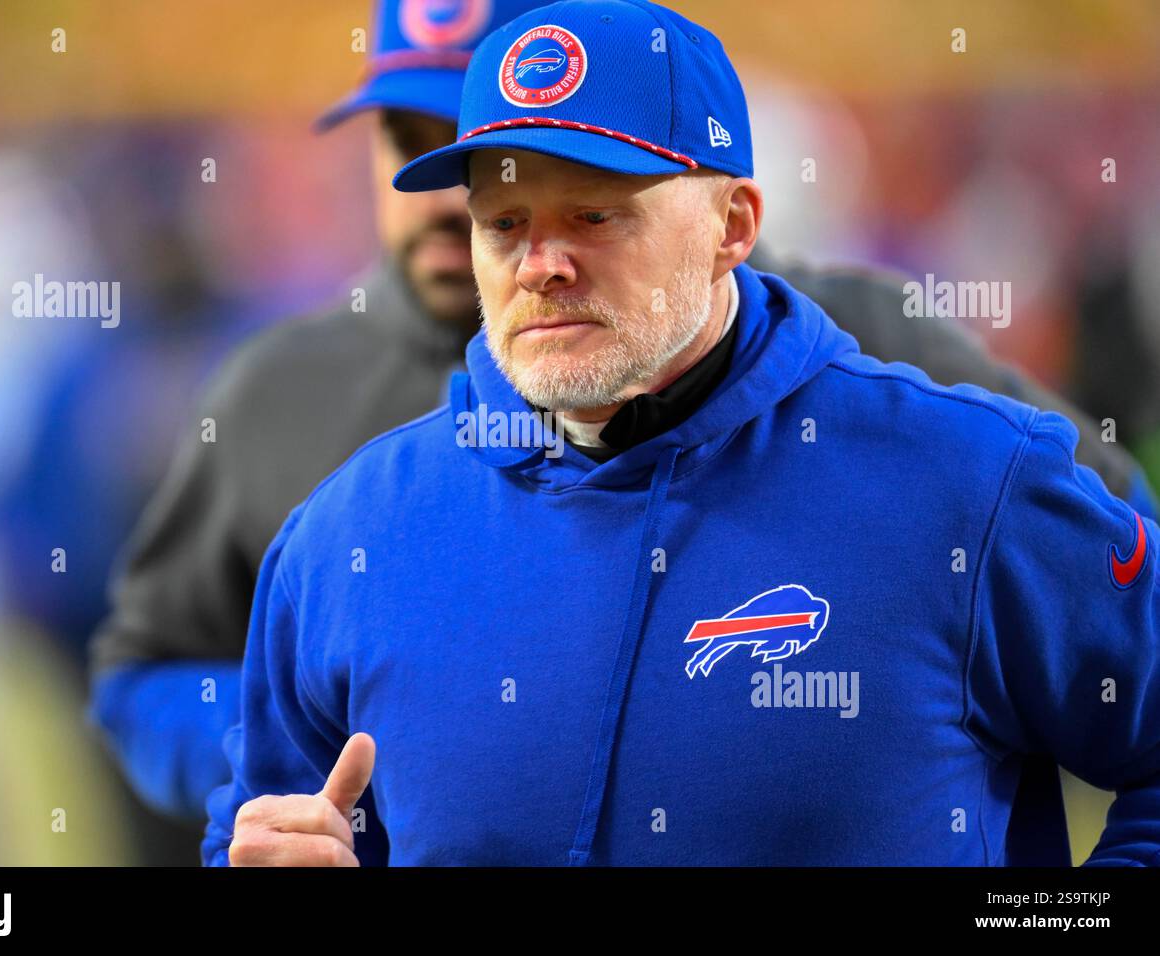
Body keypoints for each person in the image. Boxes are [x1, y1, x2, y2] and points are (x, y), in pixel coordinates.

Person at [89, 0, 1153, 833]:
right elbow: (264, 820)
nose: (541, 264)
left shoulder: (969, 478)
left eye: (593, 213)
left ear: (733, 222)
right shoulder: (343, 535)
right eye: (504, 222)